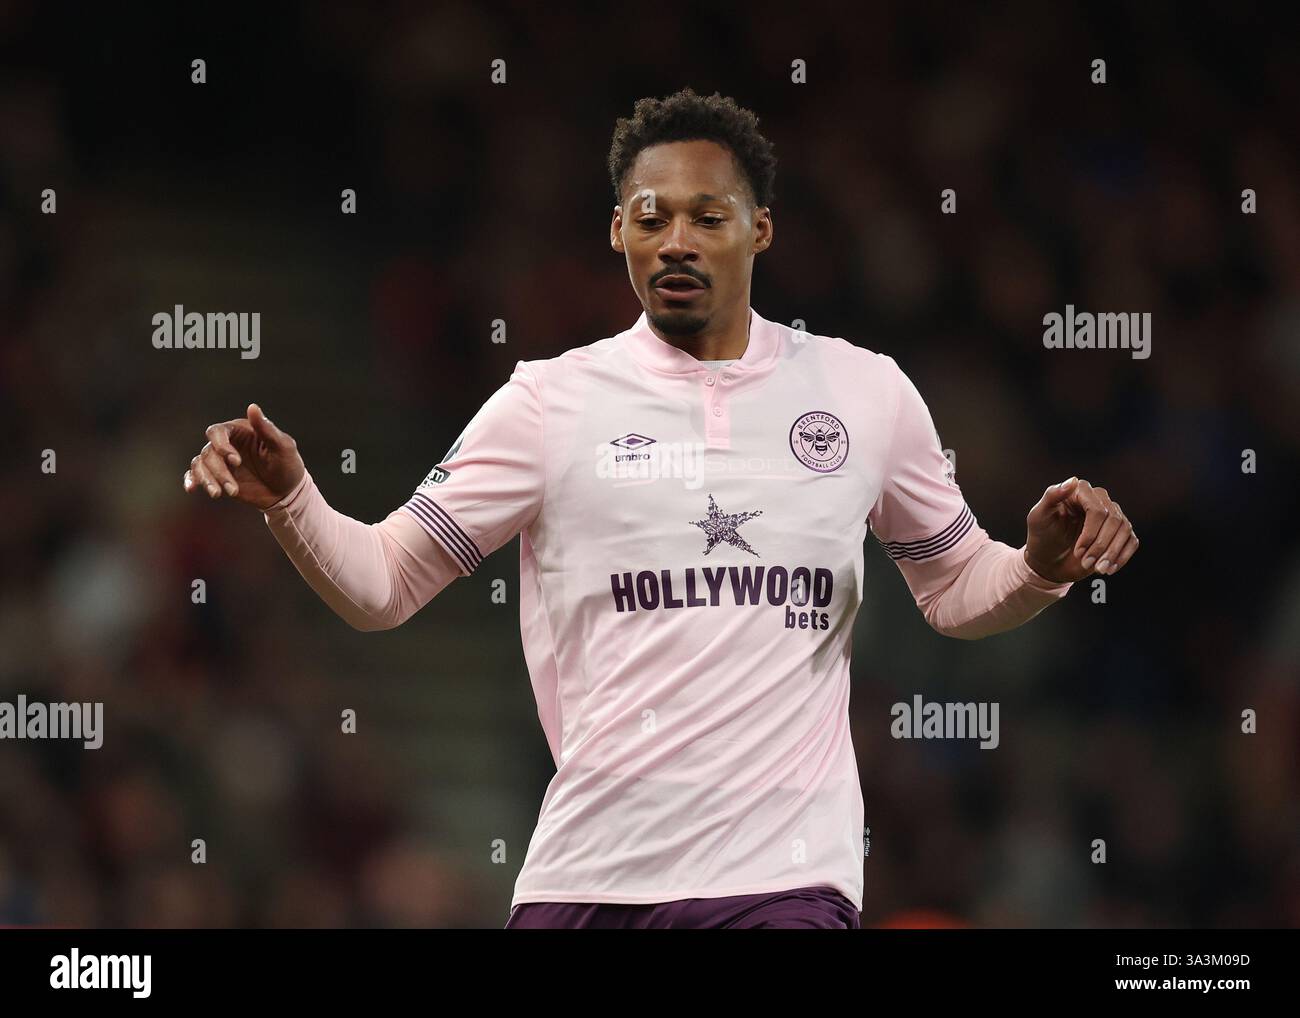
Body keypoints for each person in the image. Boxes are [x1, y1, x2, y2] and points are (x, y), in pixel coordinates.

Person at [182, 88, 1139, 929]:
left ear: (760, 228)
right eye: (651, 218)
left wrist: (1041, 565)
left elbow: (957, 587)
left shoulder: (864, 395)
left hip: (786, 878)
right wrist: (293, 500)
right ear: (618, 233)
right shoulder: (549, 402)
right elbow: (384, 585)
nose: (675, 240)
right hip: (592, 870)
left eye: (706, 216)